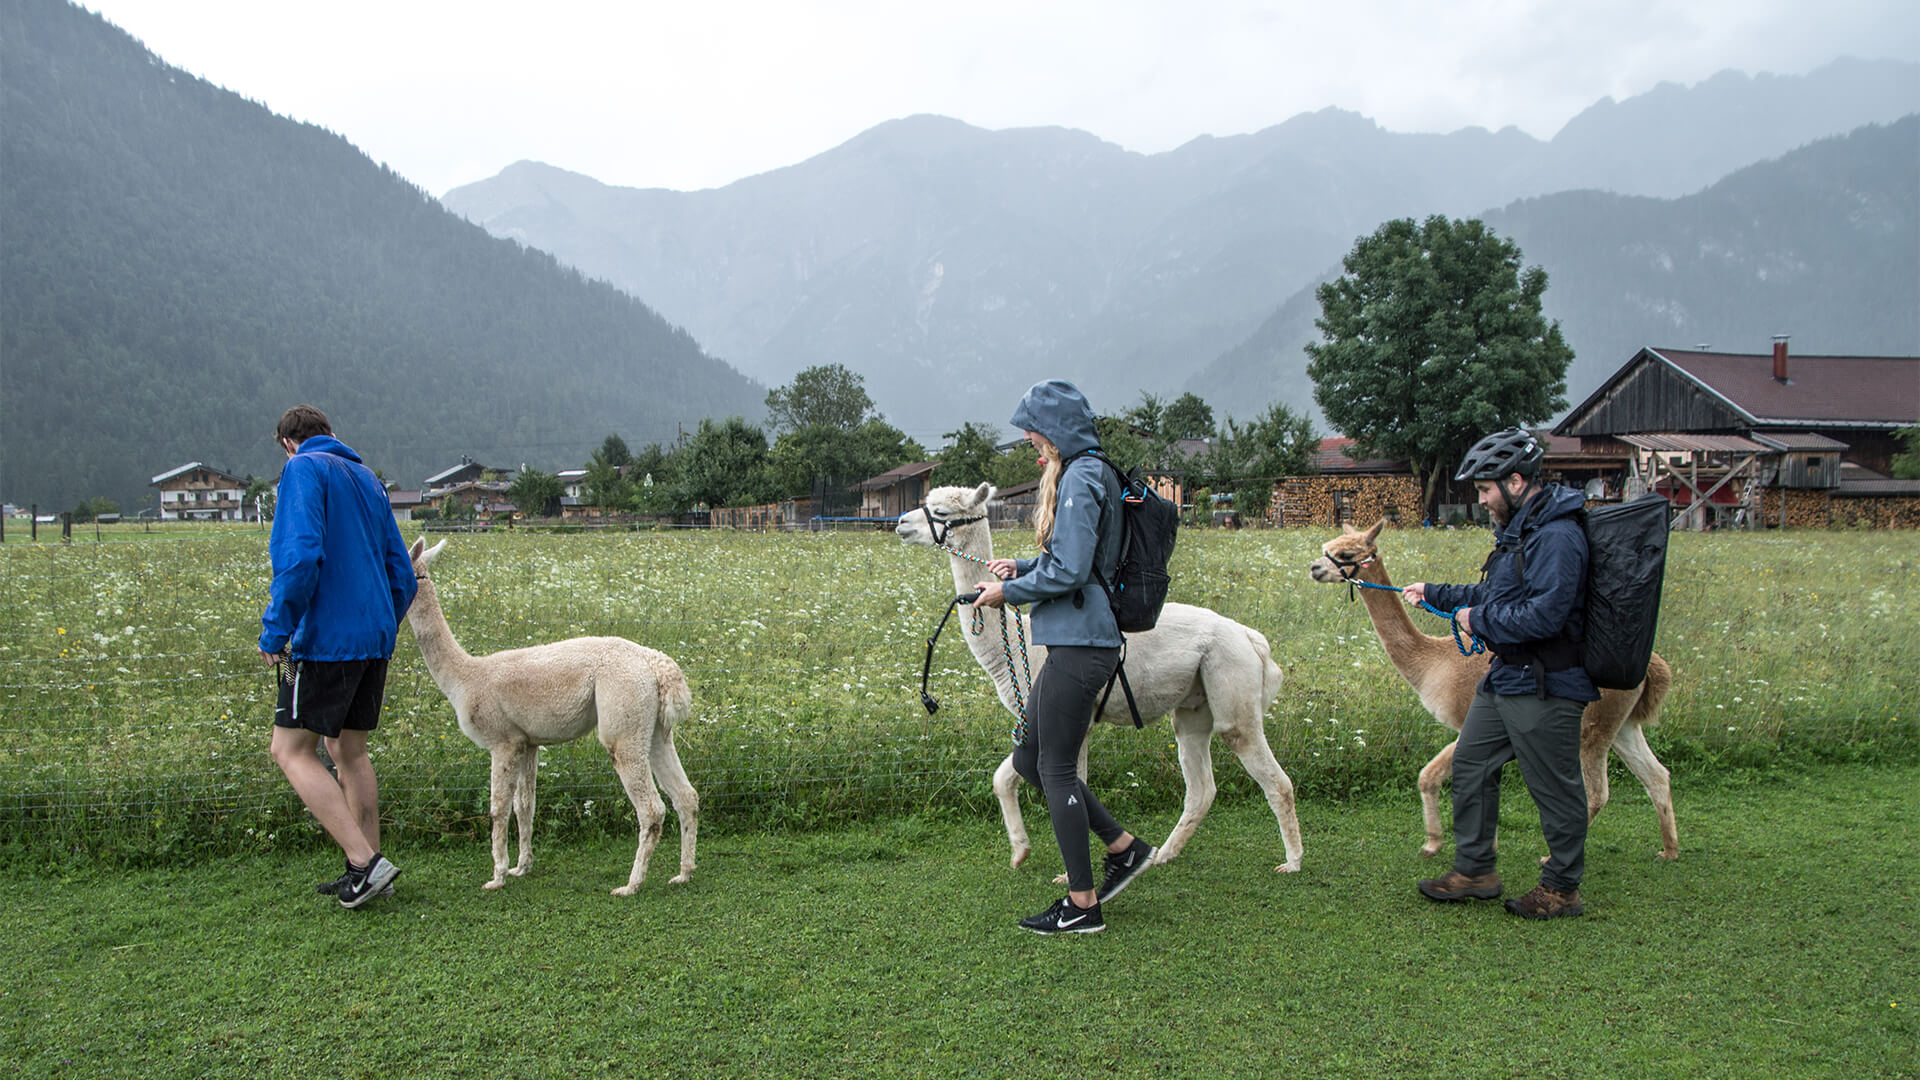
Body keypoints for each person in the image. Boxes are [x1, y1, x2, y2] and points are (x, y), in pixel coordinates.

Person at [972, 380, 1155, 935]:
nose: (1028, 437)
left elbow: (1073, 570)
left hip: (1082, 645)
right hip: (1076, 639)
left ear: (1054, 428)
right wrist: (1025, 567)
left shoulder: (1078, 477)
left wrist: (1013, 592)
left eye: (1032, 427)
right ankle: (1123, 848)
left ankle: (1082, 904)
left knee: (1054, 767)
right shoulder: (1092, 472)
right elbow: (1083, 560)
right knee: (1029, 758)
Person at [1401, 427, 1599, 920]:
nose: (1483, 500)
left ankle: (1562, 888)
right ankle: (1475, 871)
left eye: (1486, 489)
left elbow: (1547, 615)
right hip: (1506, 676)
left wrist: (1478, 621)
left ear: (1515, 481)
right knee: (1470, 765)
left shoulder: (1558, 537)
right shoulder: (1521, 535)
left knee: (1554, 787)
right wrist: (1439, 594)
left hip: (1547, 683)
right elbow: (1496, 596)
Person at [259, 405, 417, 909]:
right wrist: (381, 624)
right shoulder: (368, 479)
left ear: (287, 443)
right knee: (350, 751)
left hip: (326, 642)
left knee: (290, 751)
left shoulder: (303, 469)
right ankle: (369, 867)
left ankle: (364, 862)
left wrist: (274, 631)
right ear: (332, 433)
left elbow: (301, 556)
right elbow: (403, 573)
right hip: (373, 638)